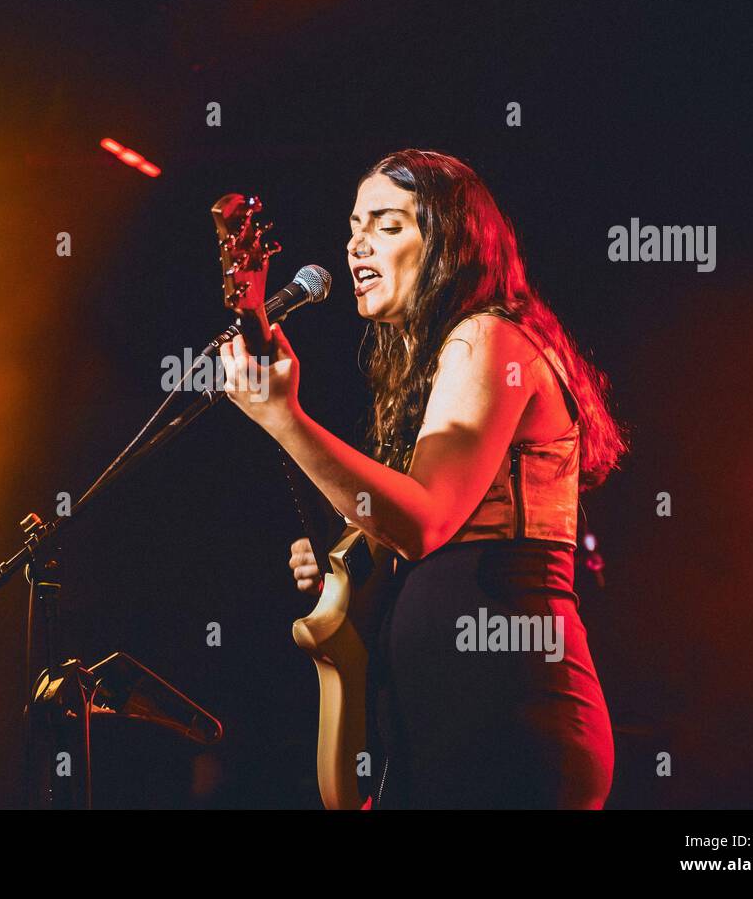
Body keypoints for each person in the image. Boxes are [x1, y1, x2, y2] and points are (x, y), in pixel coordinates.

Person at [219, 149, 628, 808]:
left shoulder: (489, 338)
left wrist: (284, 418)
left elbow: (426, 520)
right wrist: (347, 559)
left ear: (449, 242)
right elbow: (411, 530)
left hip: (507, 718)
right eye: (354, 225)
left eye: (387, 224)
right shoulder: (443, 360)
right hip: (444, 729)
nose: (357, 244)